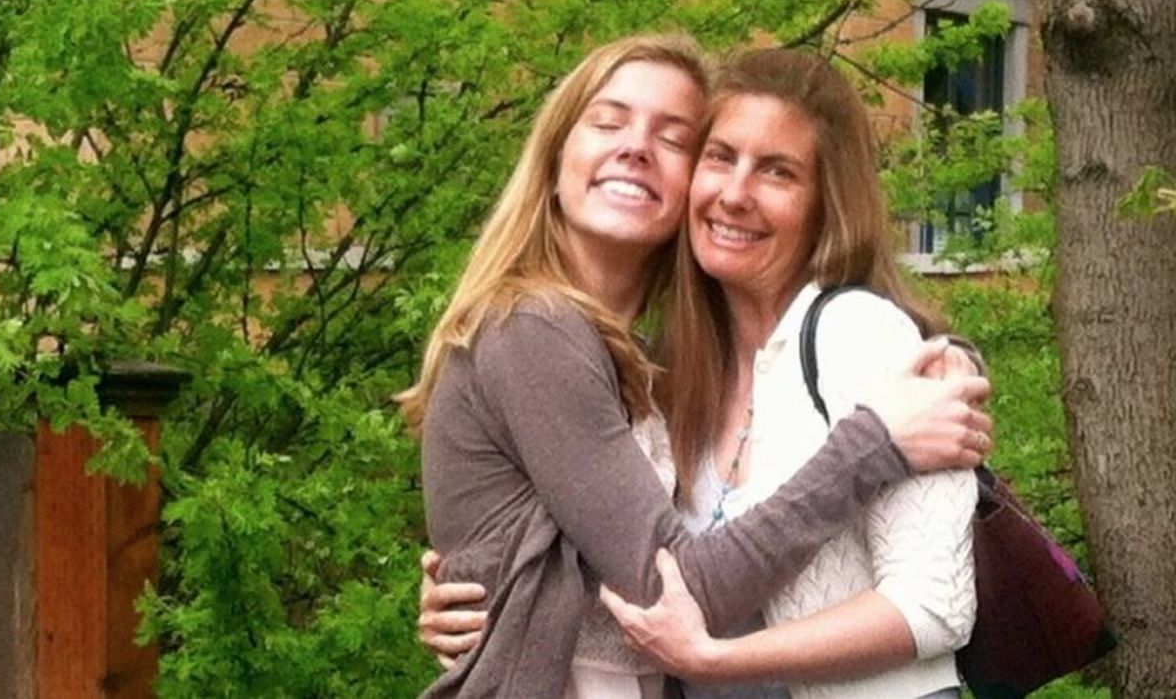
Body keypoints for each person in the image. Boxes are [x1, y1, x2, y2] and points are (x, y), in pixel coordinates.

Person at [403, 35, 992, 698]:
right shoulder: (539, 332)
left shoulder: (660, 371)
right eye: (608, 122)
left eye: (674, 138)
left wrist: (506, 579)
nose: (636, 147)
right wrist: (873, 445)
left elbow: (935, 604)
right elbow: (676, 589)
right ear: (553, 155)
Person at [597, 47, 979, 698]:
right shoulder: (669, 373)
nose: (735, 194)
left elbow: (934, 607)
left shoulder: (859, 334)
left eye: (778, 172)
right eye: (721, 158)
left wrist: (714, 660)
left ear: (828, 204)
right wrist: (478, 589)